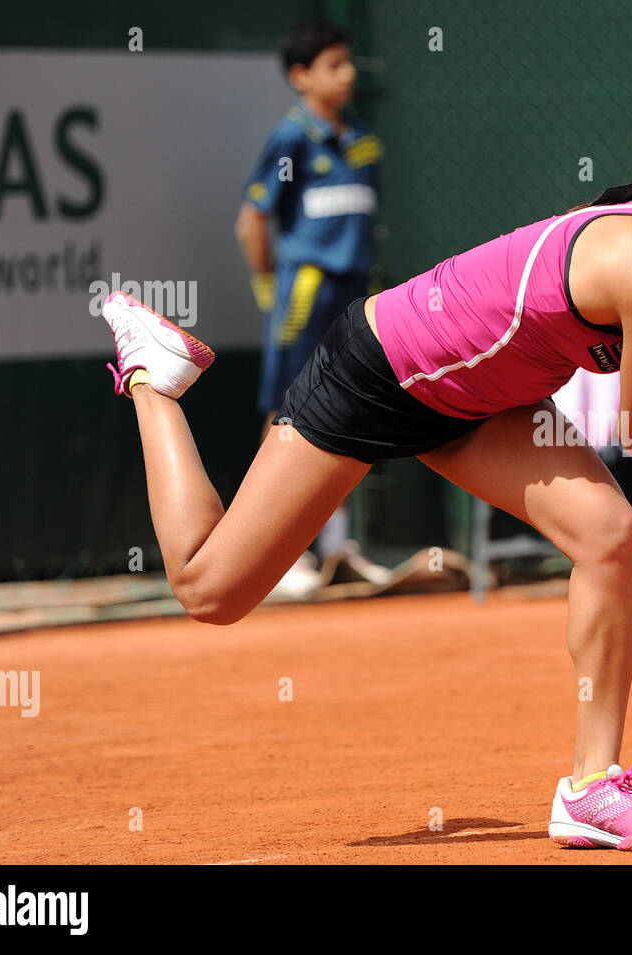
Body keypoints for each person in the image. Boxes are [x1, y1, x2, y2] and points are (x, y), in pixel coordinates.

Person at [100, 82, 632, 852]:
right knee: (207, 588)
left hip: (483, 400)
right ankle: (151, 375)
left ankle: (591, 787)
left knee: (608, 532)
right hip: (377, 375)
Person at [234, 21, 381, 591]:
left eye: (349, 63)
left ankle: (337, 545)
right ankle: (276, 554)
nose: (348, 75)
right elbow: (252, 218)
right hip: (302, 293)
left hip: (354, 291)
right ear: (300, 77)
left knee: (353, 409)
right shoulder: (290, 139)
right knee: (288, 410)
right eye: (334, 65)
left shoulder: (365, 141)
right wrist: (268, 287)